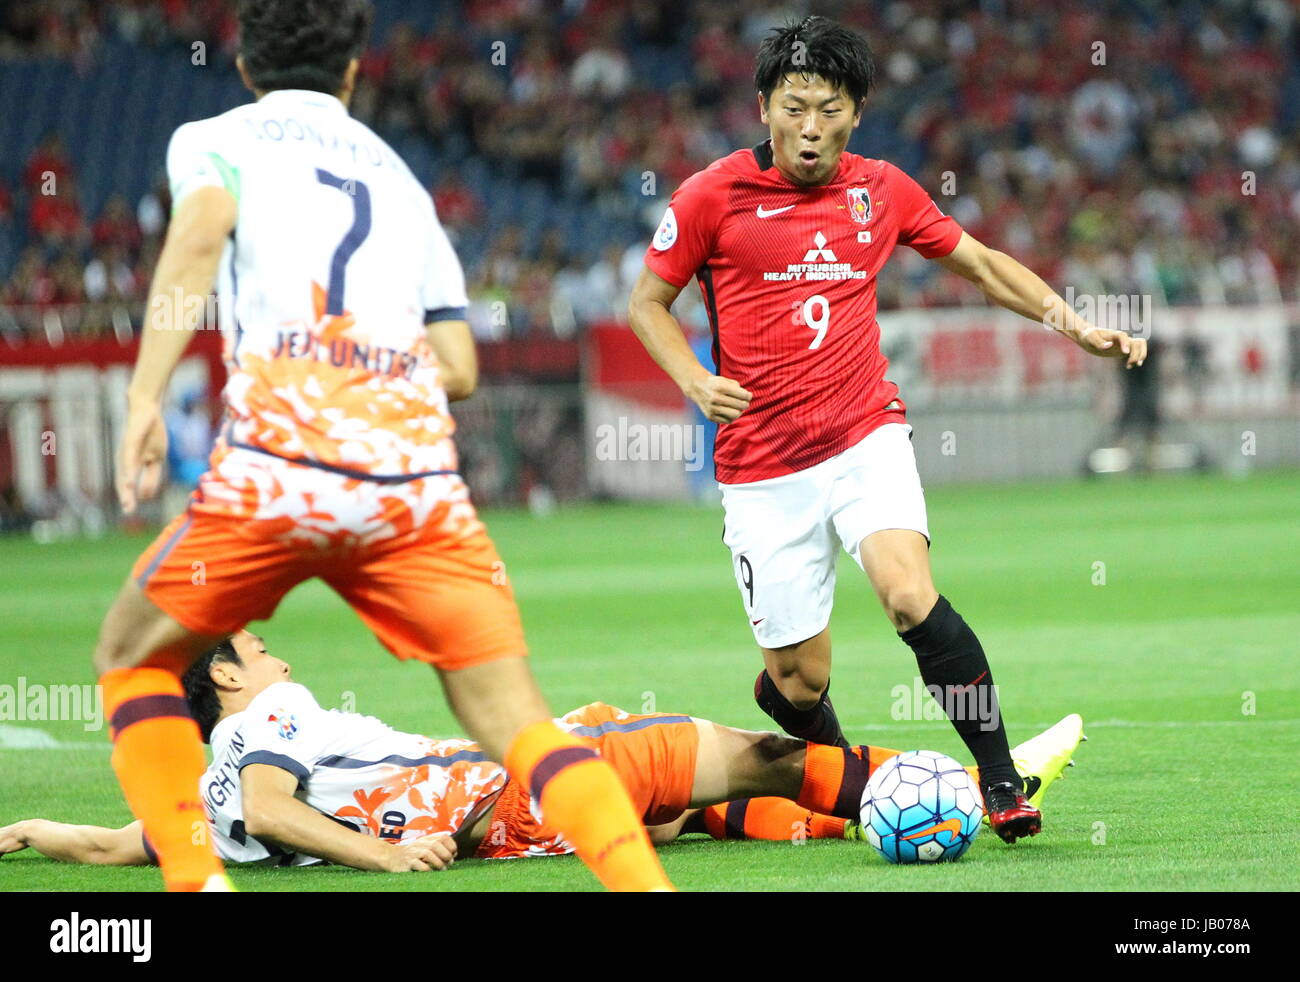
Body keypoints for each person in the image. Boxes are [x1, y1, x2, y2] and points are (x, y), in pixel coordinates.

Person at [94, 0, 670, 892]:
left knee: (132, 656)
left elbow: (199, 237)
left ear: (245, 66)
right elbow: (462, 366)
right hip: (413, 486)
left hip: (279, 473)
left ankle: (198, 884)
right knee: (523, 726)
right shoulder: (402, 183)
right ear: (354, 72)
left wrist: (144, 396)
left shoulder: (214, 137)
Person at [626, 16, 1145, 844]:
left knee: (909, 594)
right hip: (761, 465)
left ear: (856, 112)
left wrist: (1072, 322)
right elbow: (646, 303)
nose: (810, 127)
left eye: (829, 108)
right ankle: (844, 782)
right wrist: (693, 380)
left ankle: (1003, 781)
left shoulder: (882, 189)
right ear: (763, 107)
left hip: (865, 433)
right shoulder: (710, 197)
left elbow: (976, 262)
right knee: (798, 684)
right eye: (794, 106)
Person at [6, 631, 1083, 871]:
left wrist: (15, 832)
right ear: (229, 680)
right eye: (256, 646)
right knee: (759, 749)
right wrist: (385, 855)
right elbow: (281, 806)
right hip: (511, 787)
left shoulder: (205, 802)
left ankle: (881, 802)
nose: (276, 649)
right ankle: (964, 789)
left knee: (681, 804)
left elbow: (109, 847)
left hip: (510, 810)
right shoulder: (256, 729)